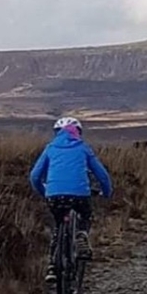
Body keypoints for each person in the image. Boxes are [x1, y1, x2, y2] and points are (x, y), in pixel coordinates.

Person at [29, 117, 113, 283]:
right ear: (78, 132)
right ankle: (82, 233)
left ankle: (53, 266)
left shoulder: (50, 148)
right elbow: (102, 175)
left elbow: (35, 176)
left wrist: (44, 191)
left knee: (59, 226)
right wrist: (107, 192)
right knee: (85, 214)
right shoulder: (83, 148)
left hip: (54, 194)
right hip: (80, 194)